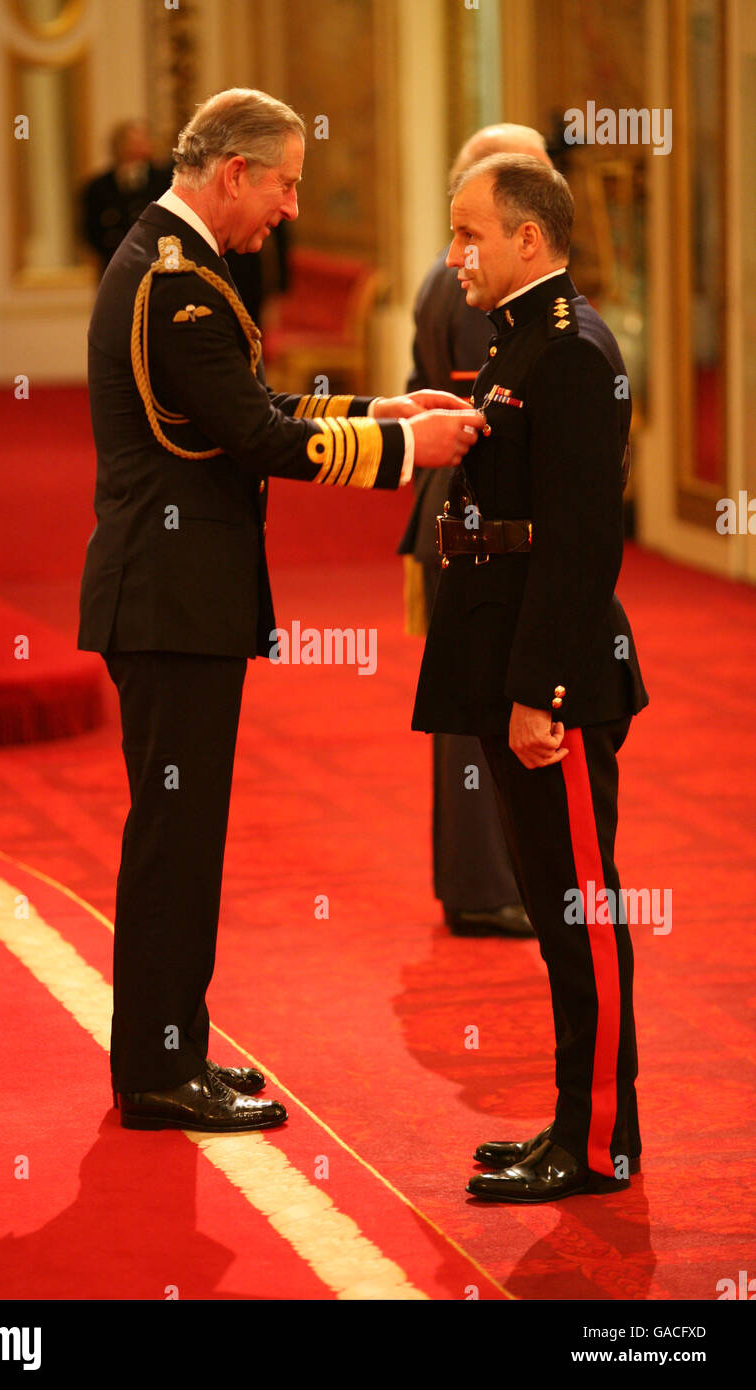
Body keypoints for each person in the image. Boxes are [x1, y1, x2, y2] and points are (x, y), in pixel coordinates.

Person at [78, 88, 484, 1135]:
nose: (292, 206)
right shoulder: (178, 287)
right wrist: (404, 454)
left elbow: (242, 413)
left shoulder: (182, 270)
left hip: (176, 596)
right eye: (285, 182)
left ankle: (171, 1050)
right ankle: (159, 1073)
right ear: (231, 174)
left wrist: (381, 408)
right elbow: (259, 443)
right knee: (176, 836)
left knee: (183, 833)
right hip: (169, 601)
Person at [412, 154, 649, 1201]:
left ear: (527, 238)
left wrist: (538, 692)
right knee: (554, 913)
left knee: (580, 915)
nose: (453, 253)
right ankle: (565, 1125)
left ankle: (598, 1143)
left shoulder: (571, 349)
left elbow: (581, 543)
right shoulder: (519, 338)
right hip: (501, 651)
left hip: (549, 679)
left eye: (469, 233)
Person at [399, 124, 553, 941]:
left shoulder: (443, 275)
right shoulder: (469, 284)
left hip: (455, 519)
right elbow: (481, 424)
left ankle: (486, 882)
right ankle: (482, 887)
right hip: (469, 522)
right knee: (470, 719)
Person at [82, 120, 173, 273]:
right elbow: (91, 230)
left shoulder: (165, 180)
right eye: (131, 142)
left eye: (142, 141)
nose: (138, 147)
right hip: (115, 263)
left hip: (156, 263)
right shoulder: (98, 187)